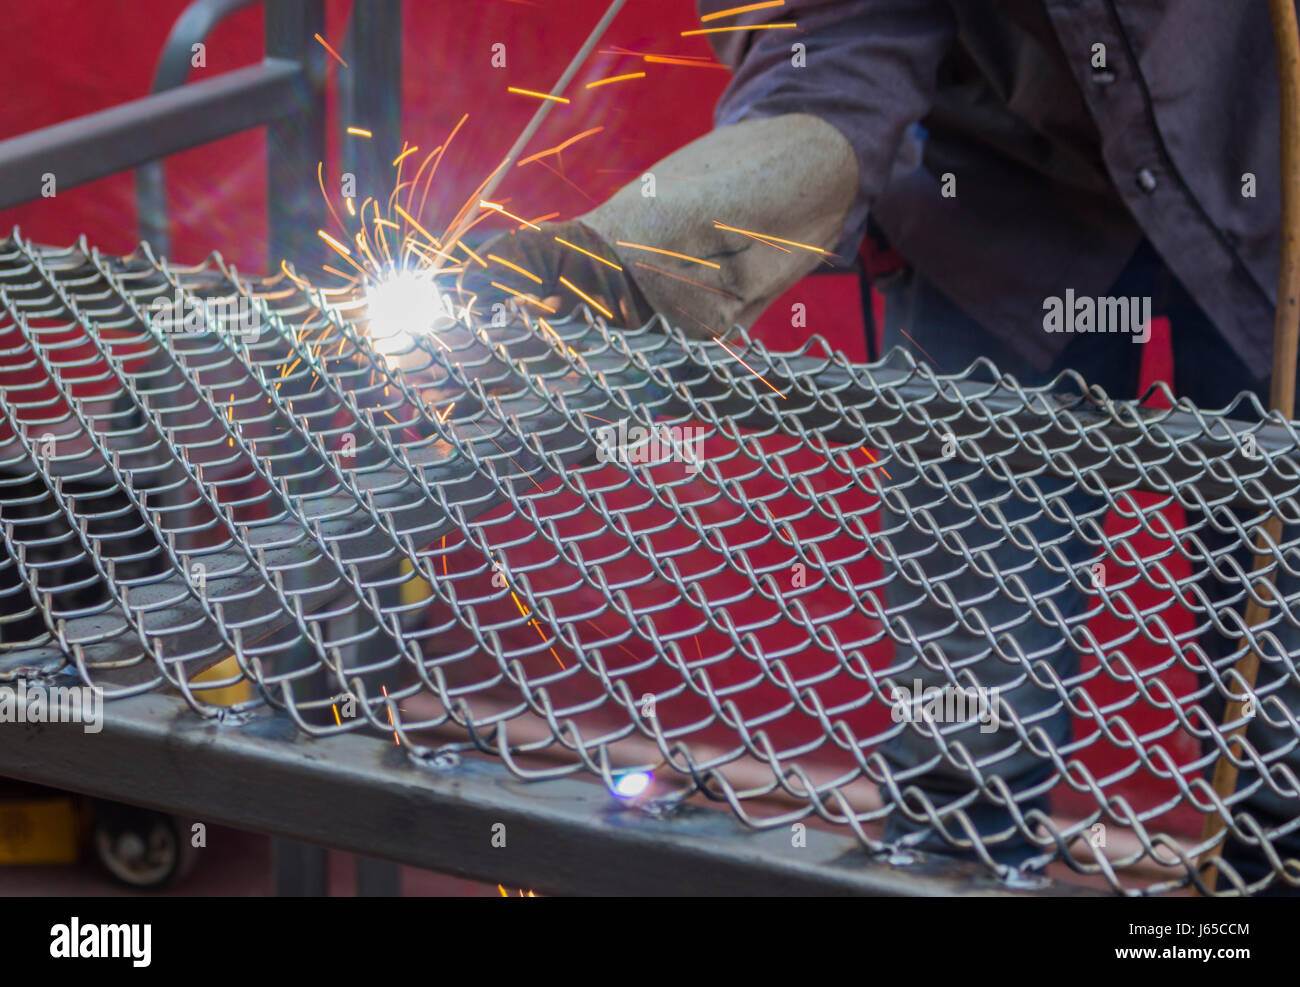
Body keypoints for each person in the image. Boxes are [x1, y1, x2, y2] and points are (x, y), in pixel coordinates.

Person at [460, 0, 1300, 895]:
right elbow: (829, 49)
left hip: (1270, 170)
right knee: (968, 713)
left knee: (1288, 710)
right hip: (1004, 212)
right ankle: (955, 857)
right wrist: (641, 259)